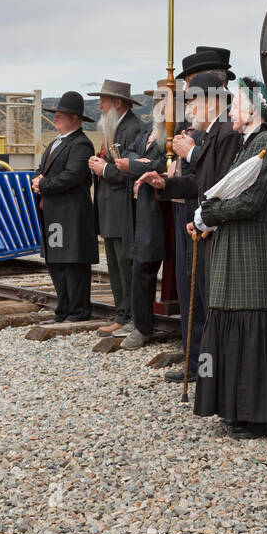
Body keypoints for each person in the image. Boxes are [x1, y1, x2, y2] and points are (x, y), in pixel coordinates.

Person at [193, 81, 267, 438]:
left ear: (254, 109)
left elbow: (250, 202)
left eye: (235, 106)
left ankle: (266, 414)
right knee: (237, 320)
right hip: (238, 246)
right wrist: (210, 213)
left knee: (254, 320)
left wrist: (208, 215)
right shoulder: (251, 144)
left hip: (254, 247)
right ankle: (239, 408)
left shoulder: (266, 145)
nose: (230, 113)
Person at [137, 74, 241, 376]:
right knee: (197, 297)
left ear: (212, 101)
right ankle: (202, 366)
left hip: (213, 225)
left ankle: (212, 370)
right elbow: (197, 181)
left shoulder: (227, 132)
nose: (190, 109)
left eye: (193, 101)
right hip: (201, 222)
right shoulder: (212, 131)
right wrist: (164, 184)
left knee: (210, 303)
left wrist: (191, 153)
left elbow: (220, 182)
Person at [115, 81, 174, 349]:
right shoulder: (148, 129)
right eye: (156, 99)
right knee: (137, 264)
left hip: (157, 209)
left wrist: (136, 165)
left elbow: (164, 164)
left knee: (144, 266)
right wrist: (140, 164)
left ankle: (142, 327)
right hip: (137, 206)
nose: (158, 104)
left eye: (164, 99)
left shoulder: (174, 131)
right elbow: (130, 152)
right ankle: (138, 322)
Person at [31, 92, 98, 321]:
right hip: (53, 213)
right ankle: (64, 309)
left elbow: (73, 176)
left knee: (72, 262)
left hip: (71, 214)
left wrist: (43, 184)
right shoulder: (55, 143)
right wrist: (37, 180)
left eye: (61, 115)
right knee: (56, 262)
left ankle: (78, 311)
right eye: (56, 114)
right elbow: (43, 169)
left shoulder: (80, 143)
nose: (56, 118)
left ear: (75, 118)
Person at [87, 79, 143, 334]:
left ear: (118, 103)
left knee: (124, 264)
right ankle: (122, 313)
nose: (99, 106)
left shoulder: (131, 128)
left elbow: (128, 169)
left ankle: (128, 316)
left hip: (122, 208)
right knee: (115, 264)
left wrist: (104, 168)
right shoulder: (118, 128)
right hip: (111, 208)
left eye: (103, 101)